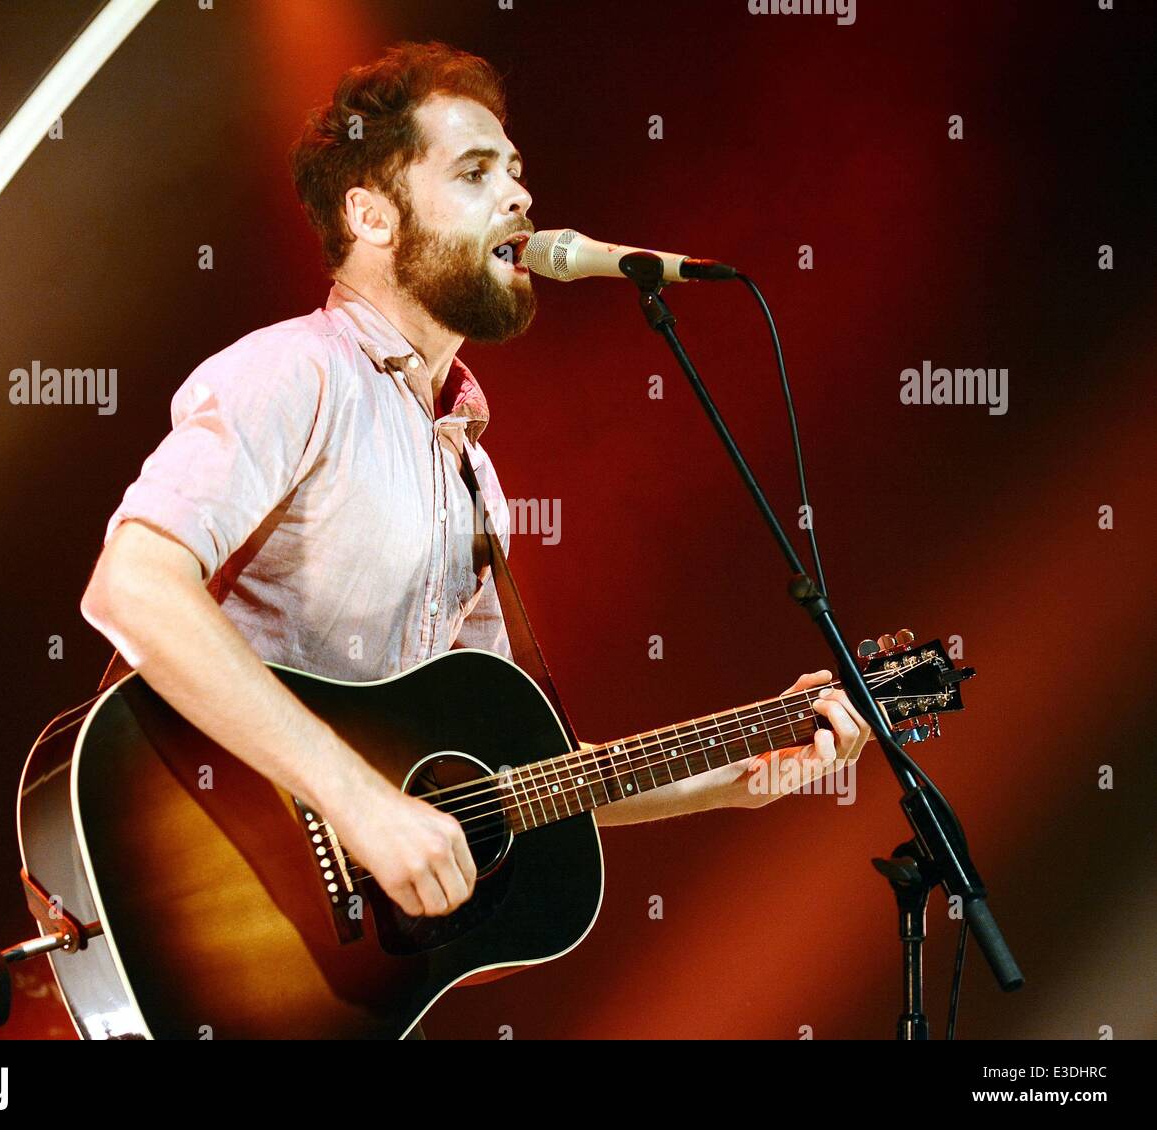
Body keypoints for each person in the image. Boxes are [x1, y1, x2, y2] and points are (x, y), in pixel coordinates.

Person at [79, 41, 871, 1037]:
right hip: (203, 881)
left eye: (516, 171)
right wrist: (360, 804)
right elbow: (135, 584)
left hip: (324, 978)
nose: (519, 198)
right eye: (474, 173)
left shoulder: (469, 472)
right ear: (371, 213)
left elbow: (511, 778)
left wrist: (733, 776)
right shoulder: (293, 376)